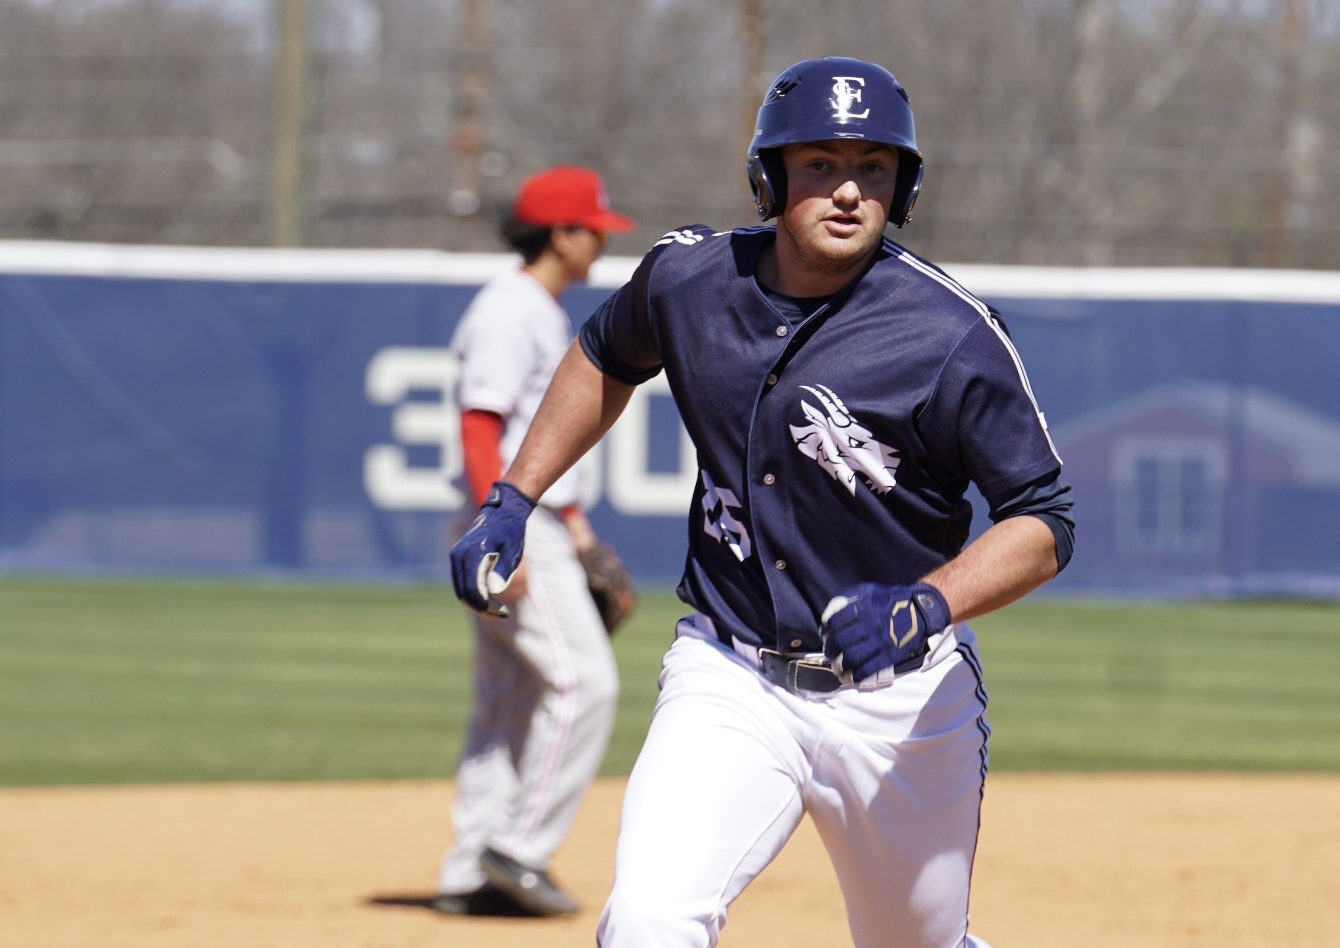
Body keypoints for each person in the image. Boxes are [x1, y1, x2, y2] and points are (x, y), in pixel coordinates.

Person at [449, 56, 1075, 947]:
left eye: (873, 168)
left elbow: (1045, 518)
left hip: (901, 698)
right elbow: (604, 354)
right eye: (819, 163)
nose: (849, 190)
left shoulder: (950, 334)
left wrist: (928, 603)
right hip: (732, 673)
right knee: (648, 923)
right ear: (767, 176)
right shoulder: (690, 279)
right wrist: (514, 496)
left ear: (902, 189)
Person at [433, 164, 636, 918]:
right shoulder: (509, 310)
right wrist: (502, 532)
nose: (601, 243)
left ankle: (466, 868)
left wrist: (580, 535)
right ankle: (517, 850)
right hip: (512, 523)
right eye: (594, 228)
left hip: (530, 521)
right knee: (586, 683)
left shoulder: (537, 308)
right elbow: (481, 423)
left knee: (511, 696)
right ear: (562, 233)